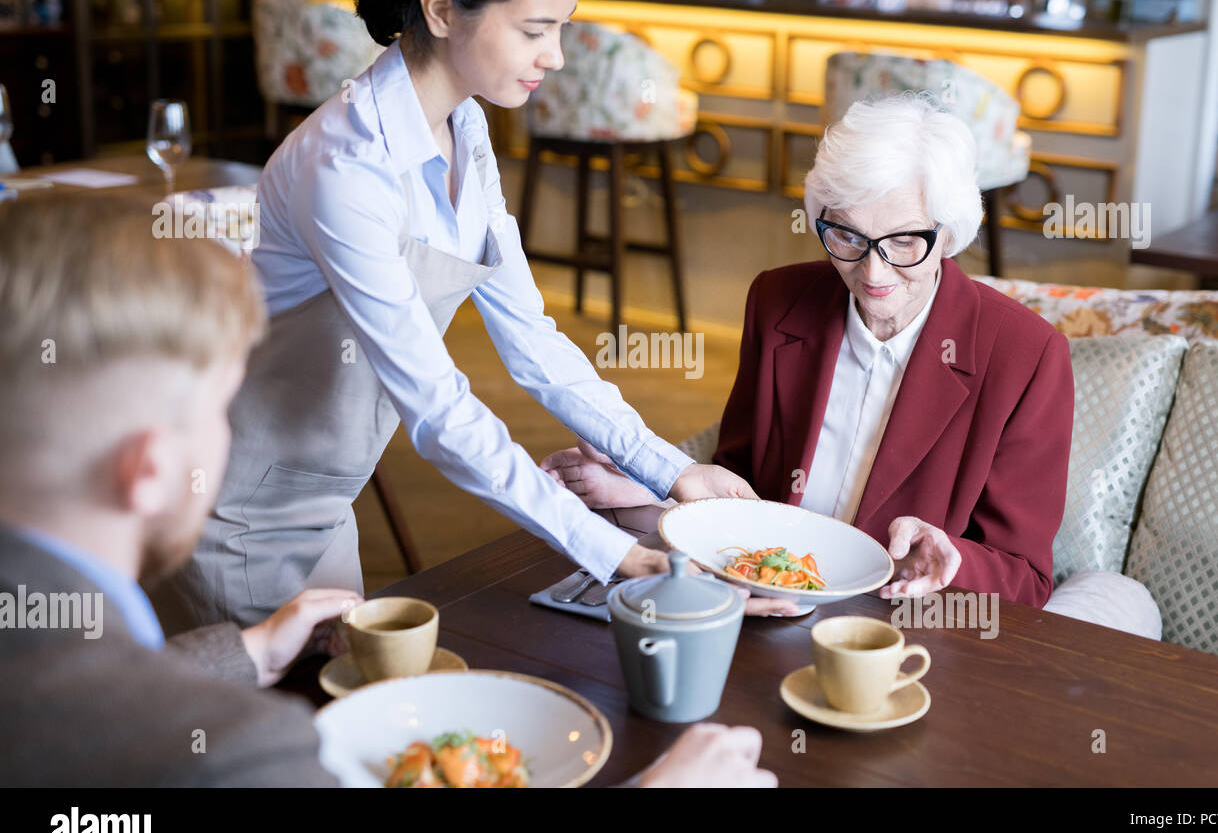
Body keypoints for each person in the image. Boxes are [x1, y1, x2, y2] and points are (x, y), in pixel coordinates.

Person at [0, 198, 775, 787]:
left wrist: (237, 656)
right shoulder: (245, 755)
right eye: (220, 410)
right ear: (151, 469)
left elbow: (79, 694)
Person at [145, 0, 771, 636]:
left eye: (563, 27)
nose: (558, 57)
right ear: (441, 10)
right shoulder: (345, 166)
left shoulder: (465, 130)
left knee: (340, 712)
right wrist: (615, 552)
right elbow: (438, 412)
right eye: (537, 30)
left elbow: (532, 340)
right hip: (239, 512)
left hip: (327, 501)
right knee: (268, 733)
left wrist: (674, 473)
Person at [542, 95, 1075, 608]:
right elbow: (741, 490)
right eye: (846, 237)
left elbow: (1026, 579)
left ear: (950, 230)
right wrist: (648, 494)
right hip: (762, 606)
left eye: (905, 242)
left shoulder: (1026, 356)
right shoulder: (777, 302)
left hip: (896, 635)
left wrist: (951, 558)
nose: (873, 272)